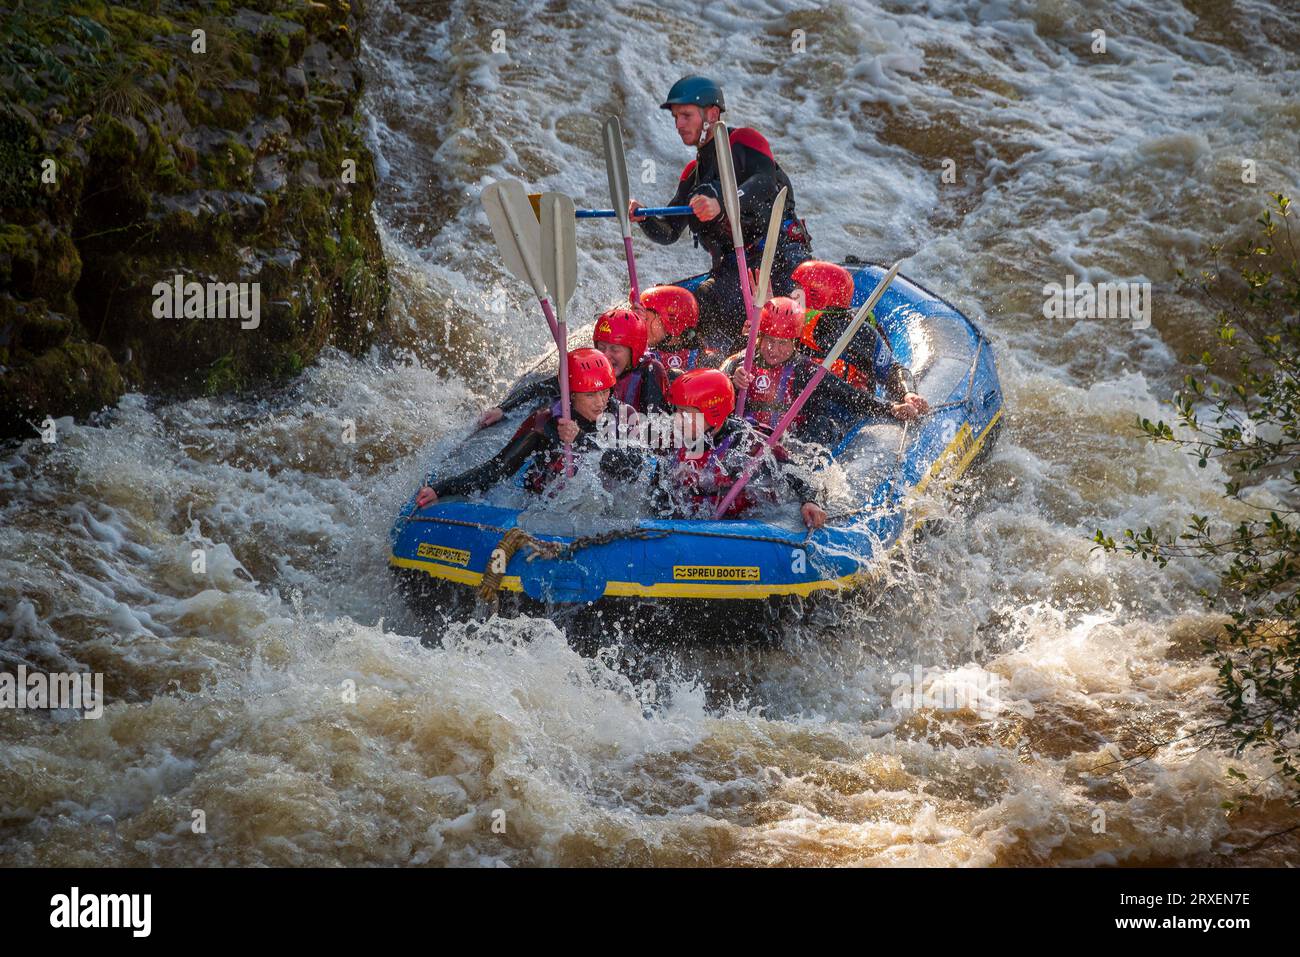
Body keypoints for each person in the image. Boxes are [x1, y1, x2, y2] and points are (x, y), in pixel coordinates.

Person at [628, 76, 812, 353]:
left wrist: (722, 203)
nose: (679, 125)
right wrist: (643, 218)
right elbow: (668, 231)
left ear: (712, 114)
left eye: (686, 115)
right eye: (676, 117)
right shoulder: (693, 175)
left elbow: (764, 184)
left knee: (706, 299)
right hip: (732, 275)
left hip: (780, 262)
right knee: (693, 302)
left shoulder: (745, 142)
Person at [415, 350, 636, 507]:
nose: (600, 402)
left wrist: (579, 439)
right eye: (590, 395)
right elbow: (497, 470)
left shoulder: (620, 414)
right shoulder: (545, 424)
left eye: (605, 392)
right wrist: (441, 489)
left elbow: (633, 470)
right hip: (546, 508)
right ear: (571, 394)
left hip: (599, 504)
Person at [722, 297, 923, 447]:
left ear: (795, 342)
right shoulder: (741, 362)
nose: (774, 350)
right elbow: (714, 384)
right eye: (770, 341)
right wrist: (731, 382)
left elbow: (849, 396)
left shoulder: (806, 370)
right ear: (760, 338)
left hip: (784, 447)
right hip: (745, 440)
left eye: (783, 343)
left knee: (820, 425)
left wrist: (891, 408)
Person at [654, 368, 826, 529]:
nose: (676, 419)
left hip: (746, 522)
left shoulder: (746, 444)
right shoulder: (674, 441)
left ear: (713, 414)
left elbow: (793, 471)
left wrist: (809, 501)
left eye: (684, 413)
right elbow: (658, 491)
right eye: (676, 411)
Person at [476, 307, 669, 429]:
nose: (606, 355)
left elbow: (654, 429)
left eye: (615, 349)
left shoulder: (649, 372)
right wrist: (503, 409)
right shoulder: (593, 367)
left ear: (634, 350)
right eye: (601, 348)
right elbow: (542, 389)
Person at [790, 260, 931, 413]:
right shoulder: (790, 318)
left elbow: (891, 369)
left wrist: (907, 393)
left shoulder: (856, 332)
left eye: (798, 289)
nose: (791, 294)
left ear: (817, 295)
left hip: (847, 407)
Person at [639, 284, 721, 376]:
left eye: (646, 319)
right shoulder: (644, 356)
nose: (642, 324)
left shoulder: (700, 356)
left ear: (671, 322)